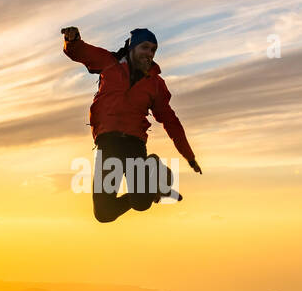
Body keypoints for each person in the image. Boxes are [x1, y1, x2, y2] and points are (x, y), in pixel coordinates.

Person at [62, 26, 202, 223]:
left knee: (141, 203)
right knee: (104, 213)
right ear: (133, 47)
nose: (149, 53)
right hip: (107, 143)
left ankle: (152, 169)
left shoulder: (156, 84)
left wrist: (188, 155)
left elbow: (170, 120)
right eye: (145, 47)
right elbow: (81, 52)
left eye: (153, 50)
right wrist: (72, 39)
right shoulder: (109, 63)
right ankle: (155, 188)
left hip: (133, 144)